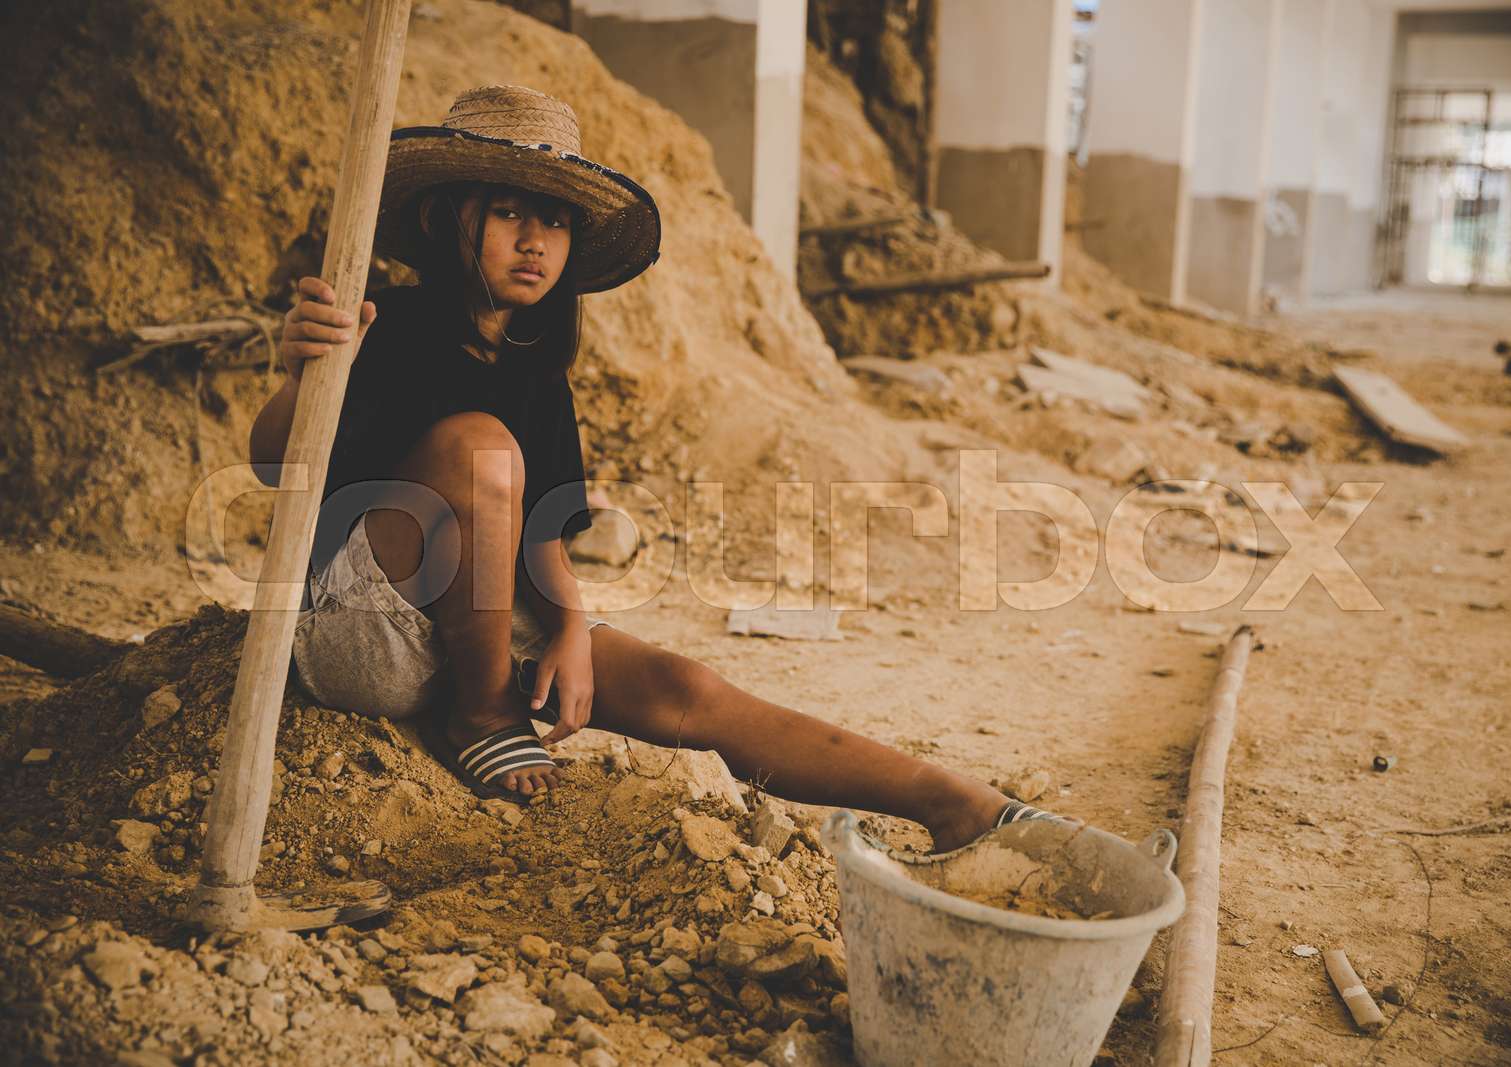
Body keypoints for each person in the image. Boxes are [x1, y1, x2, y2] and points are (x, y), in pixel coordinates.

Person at [249, 85, 1057, 853]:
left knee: (684, 686)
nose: (536, 241)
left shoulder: (537, 368)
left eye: (557, 221)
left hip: (484, 617)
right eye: (509, 212)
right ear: (443, 215)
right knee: (479, 447)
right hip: (364, 630)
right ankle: (484, 712)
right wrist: (309, 373)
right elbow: (269, 462)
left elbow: (543, 535)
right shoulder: (383, 325)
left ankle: (950, 801)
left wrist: (569, 627)